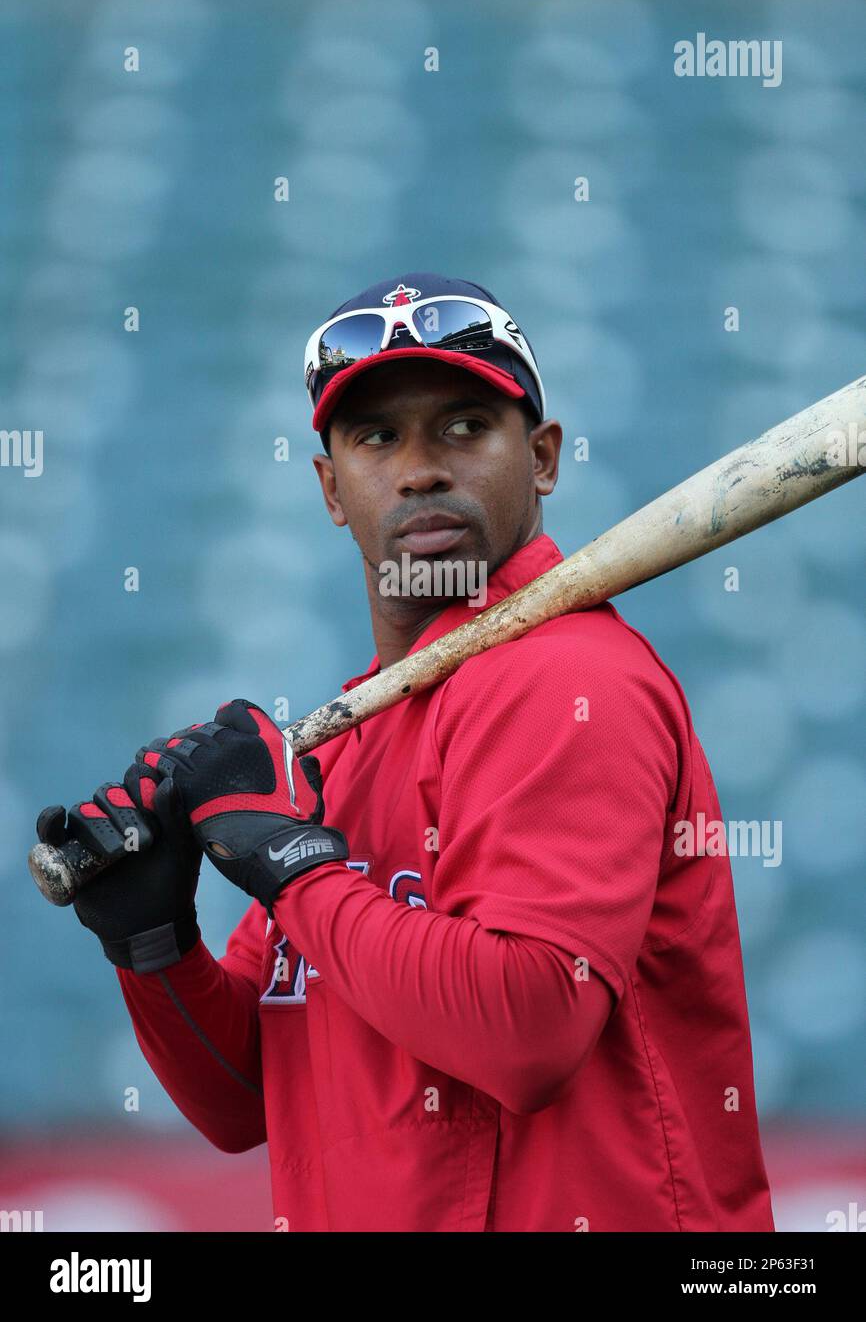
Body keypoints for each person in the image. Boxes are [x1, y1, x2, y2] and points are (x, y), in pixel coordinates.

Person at [37, 273, 776, 1233]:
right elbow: (246, 1098)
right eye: (377, 437)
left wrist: (292, 866)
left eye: (464, 426)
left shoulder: (565, 680)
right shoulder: (350, 741)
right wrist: (154, 944)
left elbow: (530, 1028)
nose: (421, 468)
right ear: (330, 487)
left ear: (543, 458)